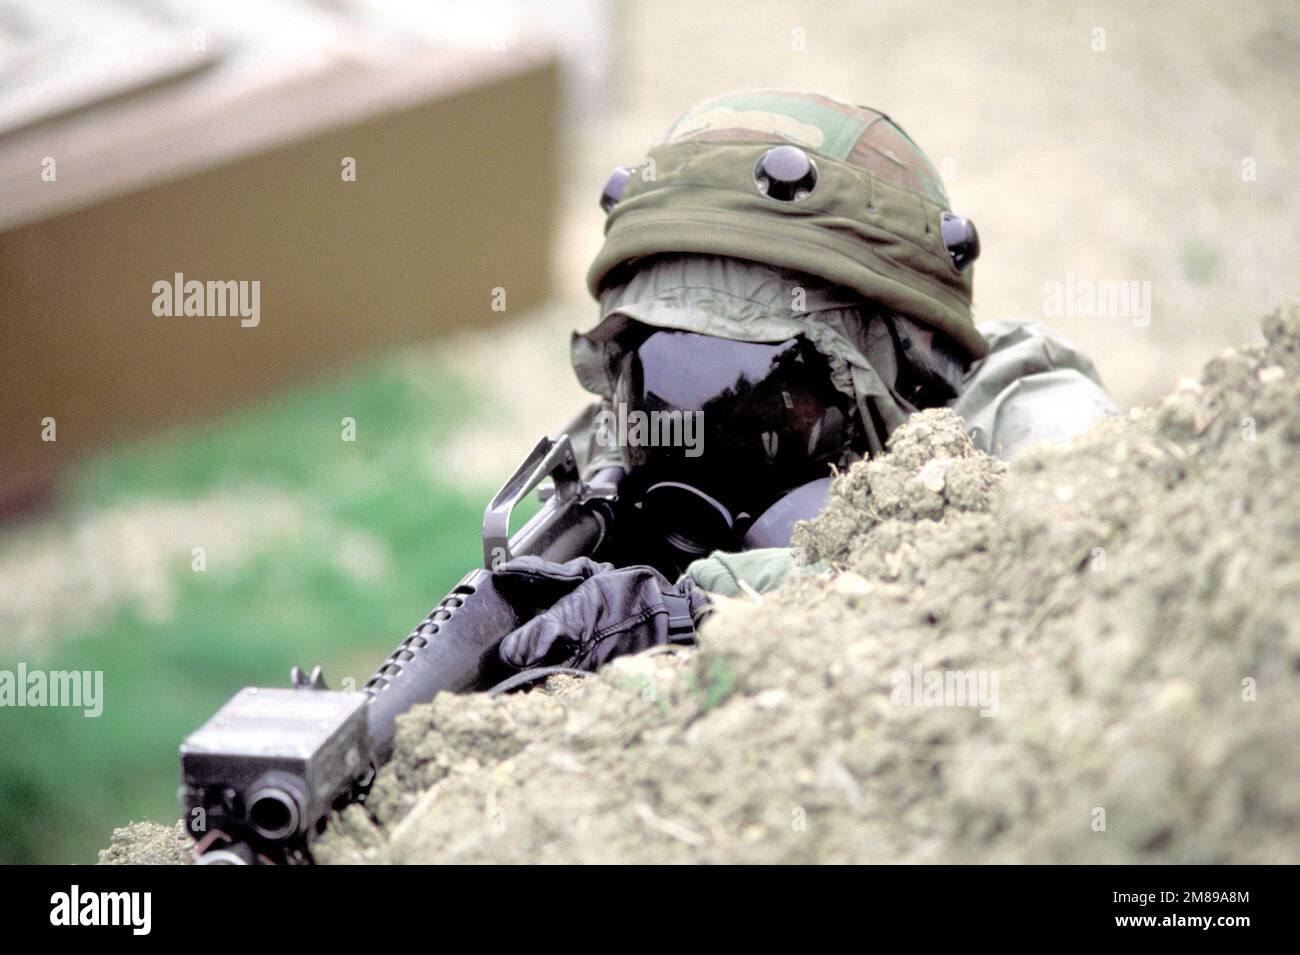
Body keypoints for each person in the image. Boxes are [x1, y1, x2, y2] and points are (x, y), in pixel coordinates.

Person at [494, 90, 1116, 674]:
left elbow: (1048, 563)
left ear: (903, 369)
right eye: (667, 382)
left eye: (771, 404)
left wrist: (697, 606)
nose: (701, 450)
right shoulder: (603, 464)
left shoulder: (1025, 407)